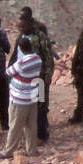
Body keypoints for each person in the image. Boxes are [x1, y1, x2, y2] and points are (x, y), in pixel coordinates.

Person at [0, 36, 43, 160]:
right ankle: (31, 150)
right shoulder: (38, 59)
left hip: (19, 99)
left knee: (15, 126)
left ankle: (8, 151)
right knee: (31, 125)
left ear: (21, 49)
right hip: (32, 98)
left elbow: (9, 72)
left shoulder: (22, 63)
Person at [18, 7, 55, 142]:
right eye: (19, 26)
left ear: (30, 23)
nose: (21, 29)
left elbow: (48, 58)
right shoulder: (21, 37)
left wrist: (47, 77)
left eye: (23, 26)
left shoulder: (40, 36)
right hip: (24, 79)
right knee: (28, 105)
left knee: (40, 106)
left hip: (38, 78)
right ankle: (30, 132)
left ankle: (41, 135)